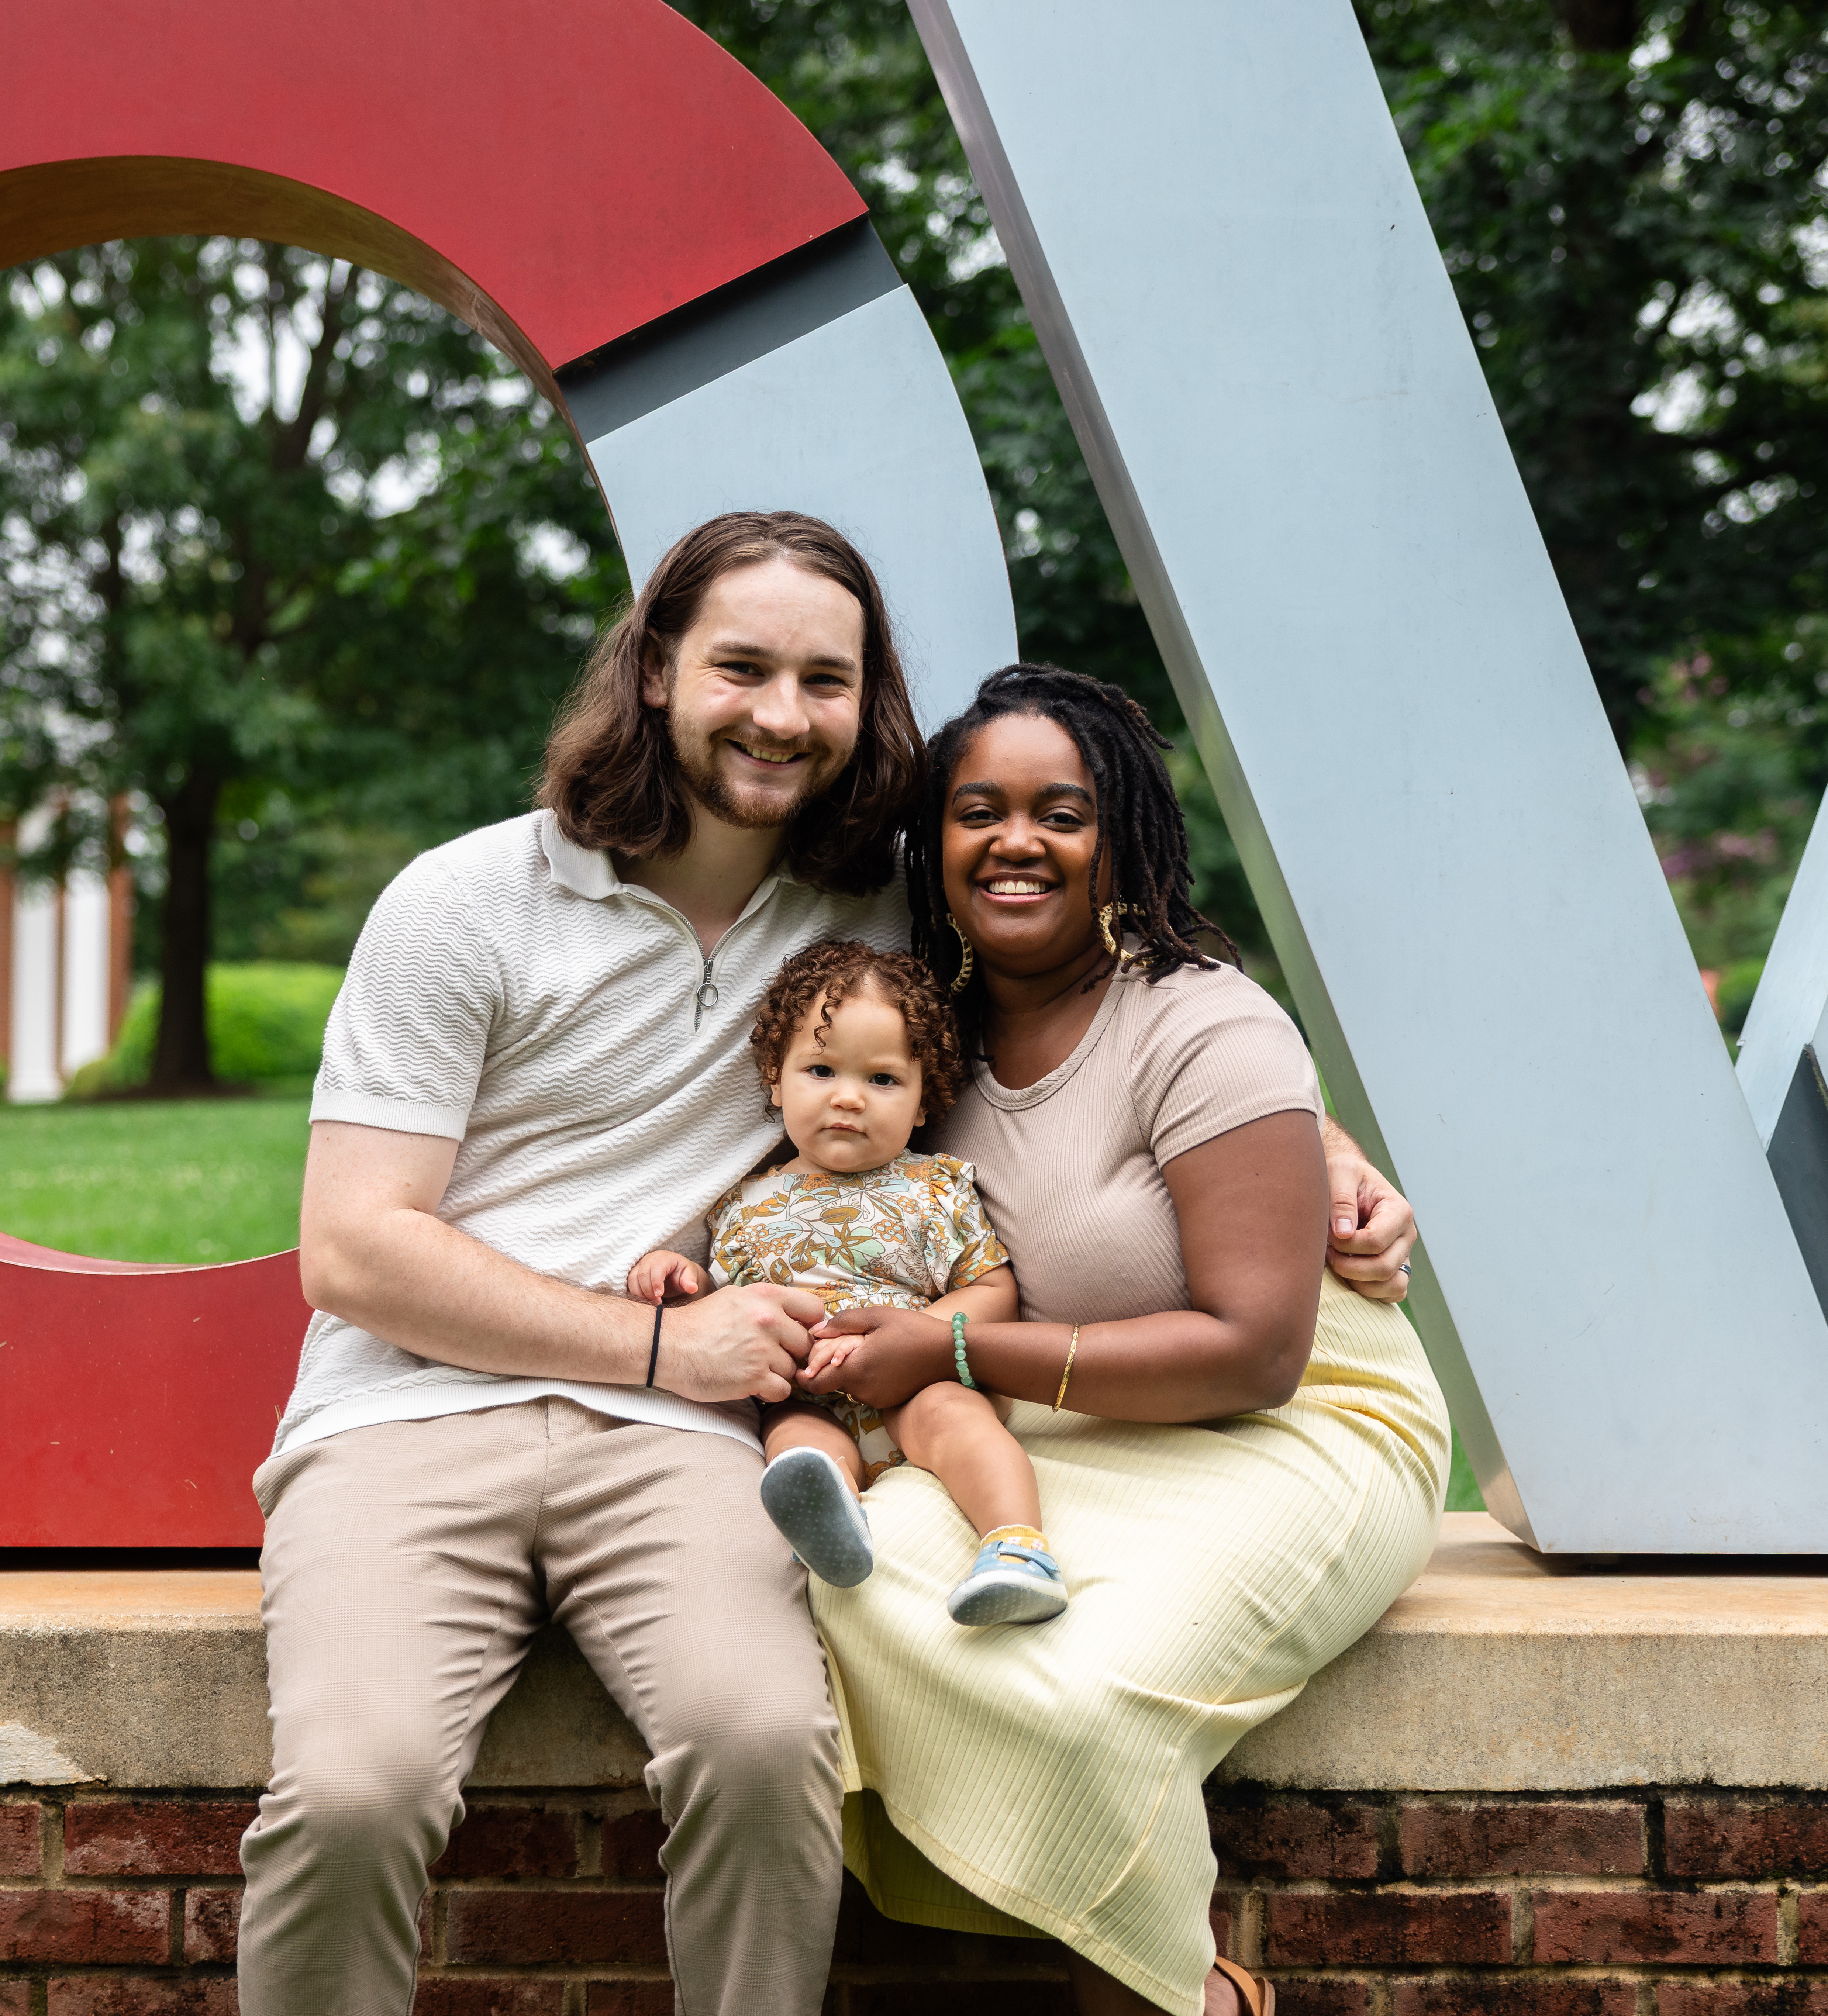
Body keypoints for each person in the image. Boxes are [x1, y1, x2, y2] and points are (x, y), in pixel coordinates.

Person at [237, 507, 1418, 2016]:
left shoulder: (872, 913)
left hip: (682, 1443)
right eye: (742, 667)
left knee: (759, 1747)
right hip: (409, 1418)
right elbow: (351, 1247)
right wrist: (669, 1346)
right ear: (655, 668)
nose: (781, 716)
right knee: (354, 1792)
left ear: (868, 707)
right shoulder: (465, 899)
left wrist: (1307, 1148)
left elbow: (1086, 999)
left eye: (825, 679)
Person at [804, 663, 1456, 2016]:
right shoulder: (915, 1033)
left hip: (1292, 1428)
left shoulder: (1203, 1020)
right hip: (1057, 1436)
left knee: (1086, 1691)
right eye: (979, 809)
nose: (1017, 841)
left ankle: (1184, 1995)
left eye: (1064, 810)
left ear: (1126, 839)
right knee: (847, 1583)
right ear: (936, 843)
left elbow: (1255, 1350)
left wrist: (958, 1355)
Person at [627, 937, 1071, 1627]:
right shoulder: (741, 1205)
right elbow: (727, 1309)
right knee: (797, 1443)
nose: (848, 1099)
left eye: (884, 1080)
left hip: (918, 1382)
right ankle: (838, 1526)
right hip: (808, 1392)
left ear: (926, 1101)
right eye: (821, 1070)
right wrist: (685, 1283)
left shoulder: (934, 1188)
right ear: (776, 1079)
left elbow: (993, 1290)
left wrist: (922, 1342)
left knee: (955, 1419)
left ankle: (1019, 1550)